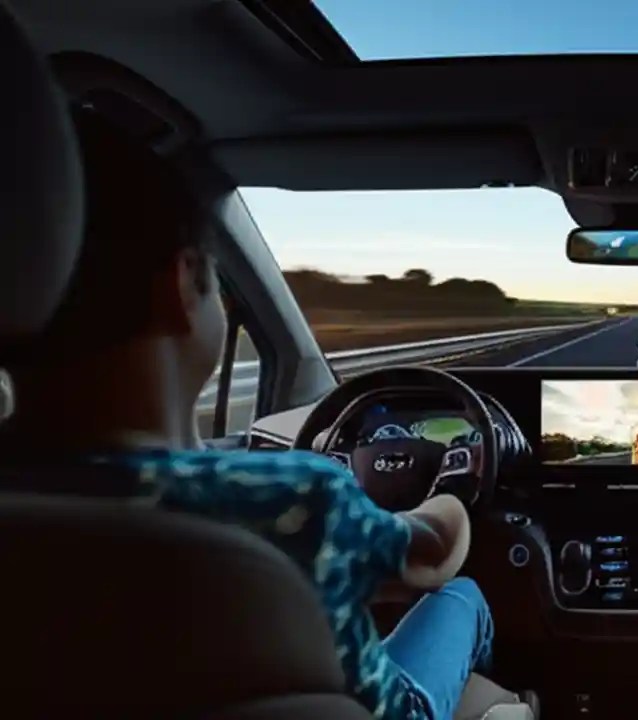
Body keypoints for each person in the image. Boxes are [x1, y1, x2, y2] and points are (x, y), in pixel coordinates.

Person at [0, 112, 513, 720]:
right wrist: (454, 478)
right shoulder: (297, 500)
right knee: (462, 593)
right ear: (183, 282)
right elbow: (435, 552)